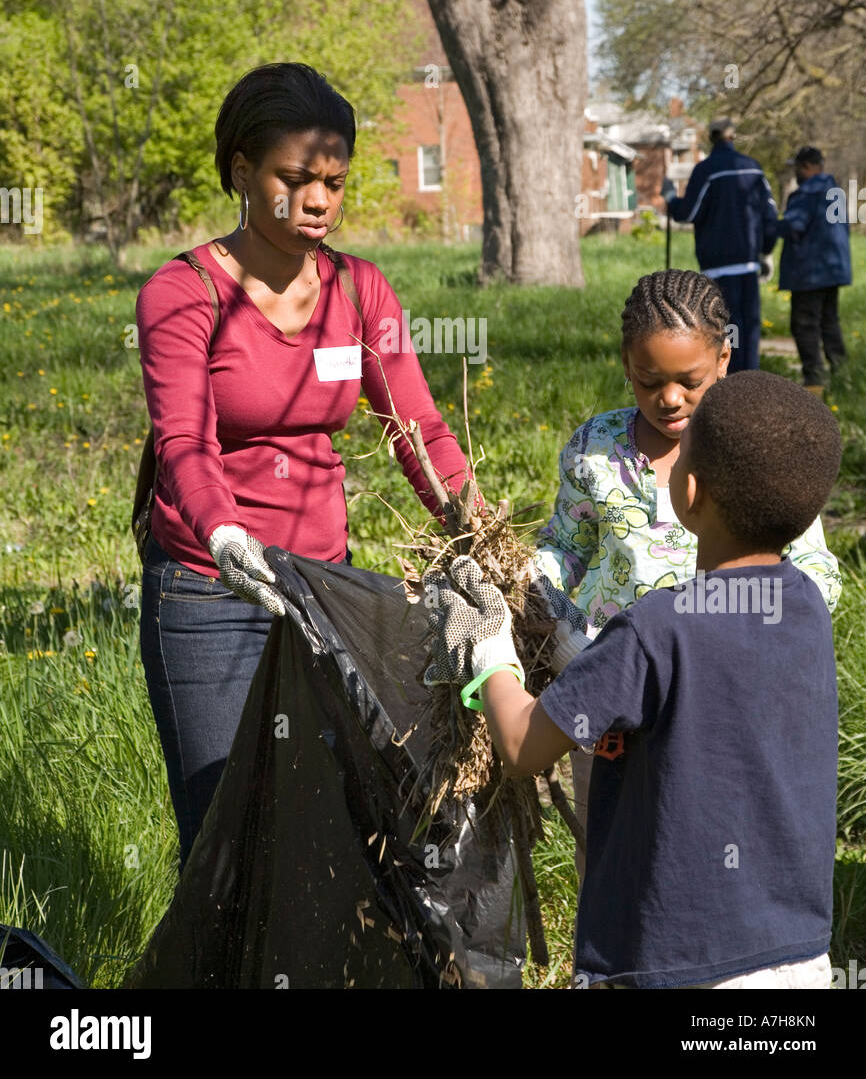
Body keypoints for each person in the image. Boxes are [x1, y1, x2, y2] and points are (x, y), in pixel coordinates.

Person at [135, 62, 477, 871]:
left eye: (335, 181)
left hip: (328, 588)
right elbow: (184, 439)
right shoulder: (184, 293)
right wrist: (222, 535)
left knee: (331, 823)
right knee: (224, 837)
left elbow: (415, 425)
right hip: (208, 588)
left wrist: (475, 528)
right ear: (242, 172)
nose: (318, 200)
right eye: (295, 179)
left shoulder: (359, 291)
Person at [425, 371, 841, 988]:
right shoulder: (806, 606)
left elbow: (519, 744)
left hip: (667, 966)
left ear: (690, 489)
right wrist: (576, 650)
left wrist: (488, 645)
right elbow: (687, 694)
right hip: (798, 963)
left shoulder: (656, 628)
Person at [527, 269, 840, 892]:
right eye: (650, 381)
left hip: (715, 700)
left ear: (724, 357)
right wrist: (538, 603)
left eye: (688, 381)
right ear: (626, 364)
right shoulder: (597, 449)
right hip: (612, 699)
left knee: (705, 850)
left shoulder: (752, 448)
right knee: (610, 854)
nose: (669, 398)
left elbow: (815, 574)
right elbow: (564, 545)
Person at [662, 118, 778, 371]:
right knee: (749, 330)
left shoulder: (706, 170)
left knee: (725, 331)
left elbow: (689, 213)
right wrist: (766, 251)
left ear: (711, 139)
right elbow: (770, 217)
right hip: (748, 264)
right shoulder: (753, 169)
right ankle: (750, 388)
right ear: (732, 138)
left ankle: (729, 392)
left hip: (717, 266)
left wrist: (671, 198)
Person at [777, 145, 851, 397]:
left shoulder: (806, 193)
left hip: (810, 271)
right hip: (834, 268)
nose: (796, 174)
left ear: (806, 167)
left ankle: (814, 379)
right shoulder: (835, 192)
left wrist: (769, 226)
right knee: (830, 322)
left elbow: (793, 226)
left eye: (797, 168)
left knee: (804, 324)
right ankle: (842, 374)